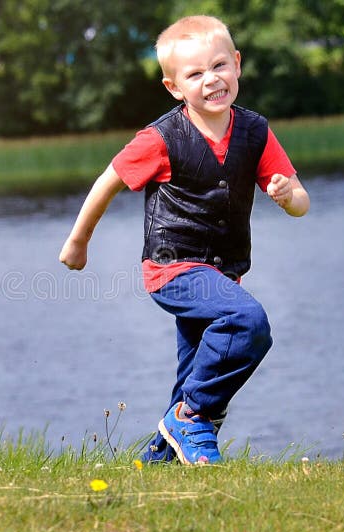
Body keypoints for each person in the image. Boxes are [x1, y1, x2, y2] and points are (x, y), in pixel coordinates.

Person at [59, 15, 309, 465]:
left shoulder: (254, 131)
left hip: (223, 271)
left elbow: (301, 201)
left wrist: (288, 195)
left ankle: (158, 458)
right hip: (172, 267)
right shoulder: (161, 138)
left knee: (197, 367)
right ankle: (192, 416)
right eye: (195, 74)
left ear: (237, 64)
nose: (211, 79)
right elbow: (108, 180)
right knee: (248, 323)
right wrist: (79, 242)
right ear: (175, 87)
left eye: (219, 66)